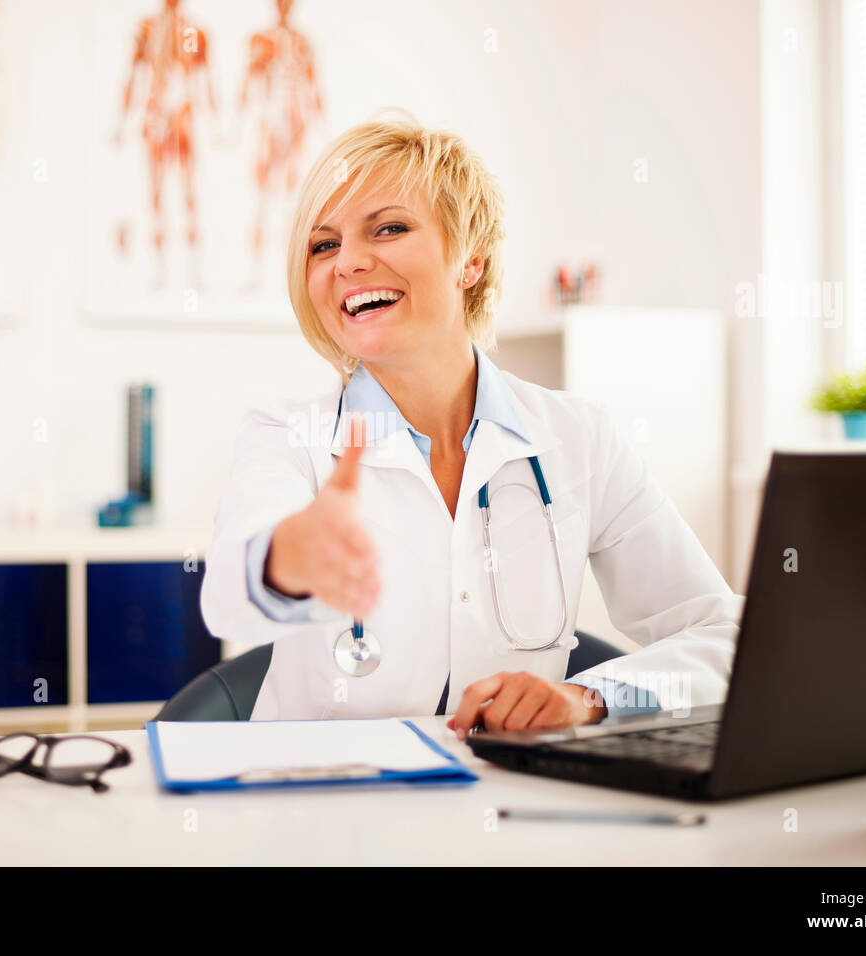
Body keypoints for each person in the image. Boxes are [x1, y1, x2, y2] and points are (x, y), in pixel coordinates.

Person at [200, 112, 744, 737]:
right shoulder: (286, 434)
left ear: (470, 261)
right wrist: (286, 560)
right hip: (324, 805)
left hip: (511, 806)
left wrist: (592, 697)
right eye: (324, 245)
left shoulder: (580, 438)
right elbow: (225, 601)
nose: (348, 262)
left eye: (389, 228)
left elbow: (720, 632)